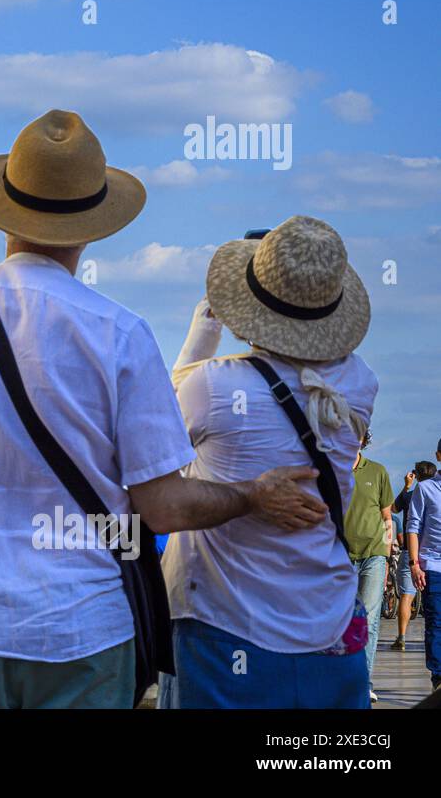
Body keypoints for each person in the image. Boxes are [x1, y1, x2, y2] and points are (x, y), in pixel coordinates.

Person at [0, 110, 322, 709]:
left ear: (3, 210)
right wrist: (251, 496)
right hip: (84, 630)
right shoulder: (120, 332)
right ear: (93, 226)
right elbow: (163, 507)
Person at [164, 215, 377, 709]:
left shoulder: (212, 387)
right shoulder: (360, 385)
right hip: (331, 624)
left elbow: (160, 432)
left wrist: (208, 326)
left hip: (230, 629)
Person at [343, 431, 394, 701]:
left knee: (370, 620)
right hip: (341, 557)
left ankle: (363, 683)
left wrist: (387, 554)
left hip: (374, 554)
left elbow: (388, 518)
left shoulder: (377, 471)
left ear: (364, 440)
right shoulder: (332, 472)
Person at [406, 444, 441, 691]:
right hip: (433, 565)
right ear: (439, 456)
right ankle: (438, 677)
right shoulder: (425, 488)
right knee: (437, 622)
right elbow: (413, 526)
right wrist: (415, 564)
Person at [393, 462, 436, 649]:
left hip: (410, 554)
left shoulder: (409, 495)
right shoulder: (435, 493)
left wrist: (406, 486)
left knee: (407, 596)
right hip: (432, 555)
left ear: (416, 475)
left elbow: (393, 509)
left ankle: (402, 637)